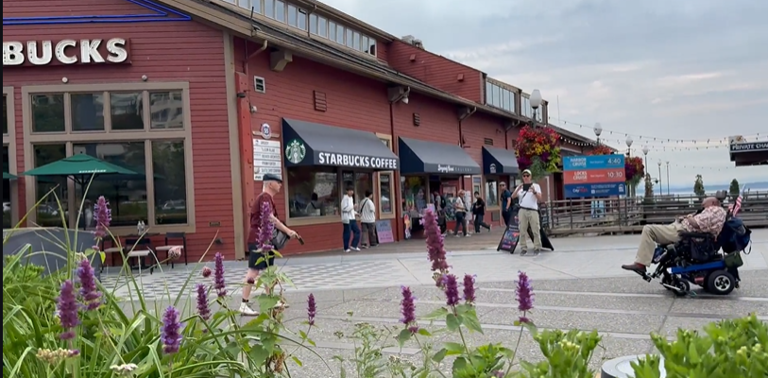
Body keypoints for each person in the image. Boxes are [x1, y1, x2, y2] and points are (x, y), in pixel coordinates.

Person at [621, 196, 727, 274]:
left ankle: (641, 264)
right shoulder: (714, 211)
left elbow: (696, 224)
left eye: (705, 201)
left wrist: (688, 217)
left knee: (648, 229)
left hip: (682, 232)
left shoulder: (715, 210)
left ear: (712, 202)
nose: (703, 203)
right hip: (681, 229)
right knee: (655, 231)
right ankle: (649, 258)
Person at [241, 174, 298, 316]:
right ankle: (243, 303)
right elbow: (270, 218)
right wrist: (288, 231)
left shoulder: (268, 198)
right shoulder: (264, 197)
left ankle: (271, 300)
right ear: (270, 183)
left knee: (268, 271)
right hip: (258, 239)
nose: (280, 185)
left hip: (266, 240)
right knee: (253, 270)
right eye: (278, 182)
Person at [513, 169, 543, 255]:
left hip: (533, 210)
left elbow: (540, 198)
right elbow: (513, 196)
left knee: (535, 229)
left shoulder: (536, 186)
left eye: (527, 176)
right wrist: (518, 188)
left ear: (530, 177)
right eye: (524, 176)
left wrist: (534, 191)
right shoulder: (520, 187)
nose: (526, 177)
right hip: (522, 209)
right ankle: (523, 247)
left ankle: (537, 247)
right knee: (522, 229)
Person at [341, 186, 361, 252]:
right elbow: (344, 209)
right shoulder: (345, 199)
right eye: (350, 190)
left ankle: (354, 245)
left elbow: (351, 210)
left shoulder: (351, 198)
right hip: (347, 219)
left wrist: (356, 213)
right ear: (347, 191)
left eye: (352, 190)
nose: (351, 192)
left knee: (357, 231)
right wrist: (353, 206)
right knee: (347, 233)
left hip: (352, 218)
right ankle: (346, 248)